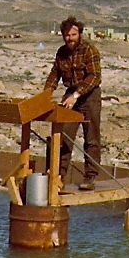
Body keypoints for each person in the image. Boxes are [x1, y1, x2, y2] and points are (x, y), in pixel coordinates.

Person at [44, 16, 102, 190]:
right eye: (67, 35)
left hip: (89, 95)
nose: (70, 38)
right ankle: (58, 177)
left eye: (73, 35)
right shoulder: (61, 52)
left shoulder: (89, 50)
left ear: (80, 34)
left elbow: (94, 77)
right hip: (70, 94)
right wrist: (46, 94)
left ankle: (90, 177)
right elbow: (54, 74)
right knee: (64, 137)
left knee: (91, 138)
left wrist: (76, 95)